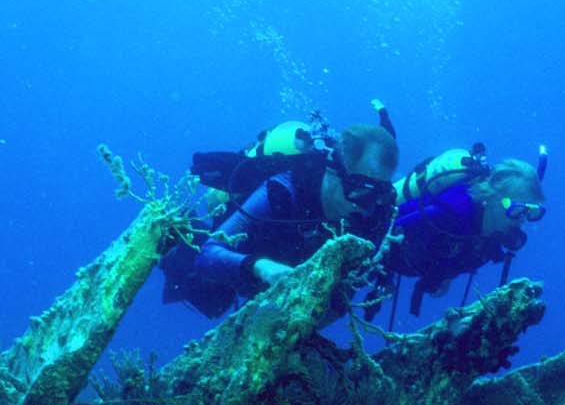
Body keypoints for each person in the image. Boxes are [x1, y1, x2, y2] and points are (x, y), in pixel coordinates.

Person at [163, 118, 400, 317]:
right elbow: (208, 254)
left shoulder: (369, 213)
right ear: (332, 171)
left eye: (377, 194)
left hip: (281, 273)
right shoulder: (283, 188)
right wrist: (260, 267)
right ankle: (171, 233)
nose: (365, 208)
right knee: (208, 298)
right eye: (359, 189)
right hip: (246, 256)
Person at [371, 143, 548, 319]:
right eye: (516, 209)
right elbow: (387, 228)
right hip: (384, 258)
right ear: (493, 197)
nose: (522, 219)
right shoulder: (447, 213)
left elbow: (459, 253)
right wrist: (382, 273)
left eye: (531, 212)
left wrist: (444, 276)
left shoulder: (494, 232)